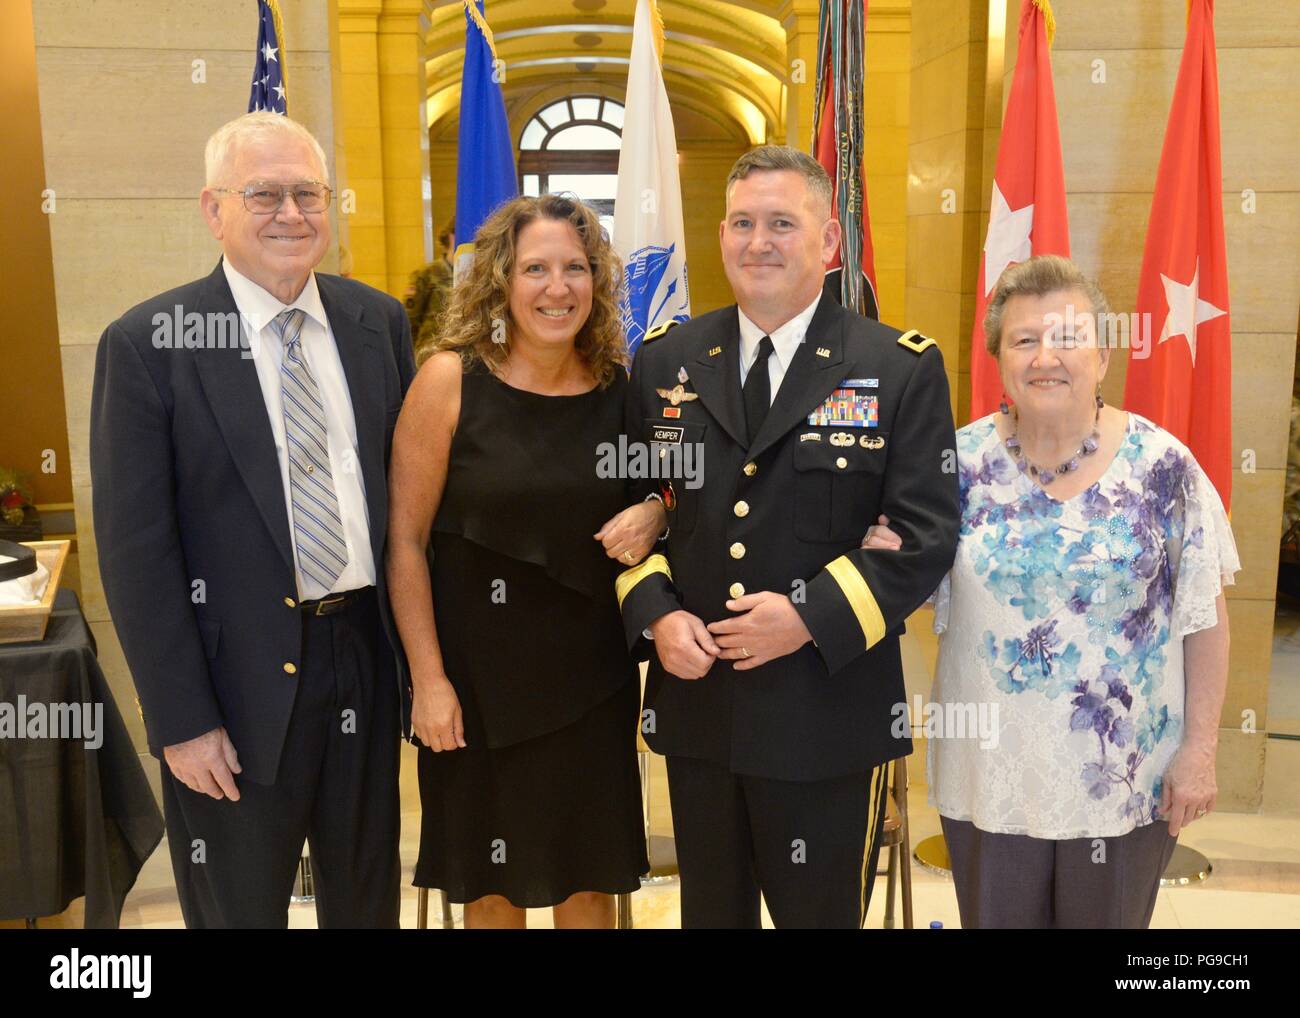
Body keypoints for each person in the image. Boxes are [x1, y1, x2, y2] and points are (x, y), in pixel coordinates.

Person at [615, 145, 960, 928]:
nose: (758, 241)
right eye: (742, 222)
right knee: (712, 916)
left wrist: (809, 616)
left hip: (824, 713)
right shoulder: (668, 360)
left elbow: (923, 532)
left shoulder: (896, 368)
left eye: (781, 223)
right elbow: (639, 508)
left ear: (830, 242)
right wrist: (657, 616)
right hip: (700, 706)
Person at [90, 111, 415, 928]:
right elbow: (135, 555)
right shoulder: (148, 343)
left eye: (309, 192)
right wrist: (182, 720)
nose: (292, 214)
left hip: (365, 665)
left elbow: (412, 503)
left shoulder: (378, 323)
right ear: (213, 209)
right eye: (264, 194)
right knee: (239, 911)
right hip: (229, 685)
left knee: (367, 899)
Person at [866, 255, 1238, 928]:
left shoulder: (1164, 468)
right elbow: (906, 589)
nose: (1046, 357)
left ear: (1101, 355)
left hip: (1124, 780)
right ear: (999, 360)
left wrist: (1201, 751)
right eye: (1025, 340)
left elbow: (1205, 618)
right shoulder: (953, 466)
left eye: (1067, 338)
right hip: (993, 779)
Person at [387, 193, 659, 929]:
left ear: (597, 282)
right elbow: (405, 544)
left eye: (576, 268)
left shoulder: (617, 388)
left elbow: (662, 499)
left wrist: (658, 510)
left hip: (590, 686)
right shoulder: (448, 382)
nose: (557, 287)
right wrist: (428, 680)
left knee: (589, 886)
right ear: (501, 279)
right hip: (474, 692)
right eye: (535, 268)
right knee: (492, 891)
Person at [405, 217, 455, 359]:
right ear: (451, 236)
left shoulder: (474, 273)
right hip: (430, 354)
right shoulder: (427, 274)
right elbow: (409, 320)